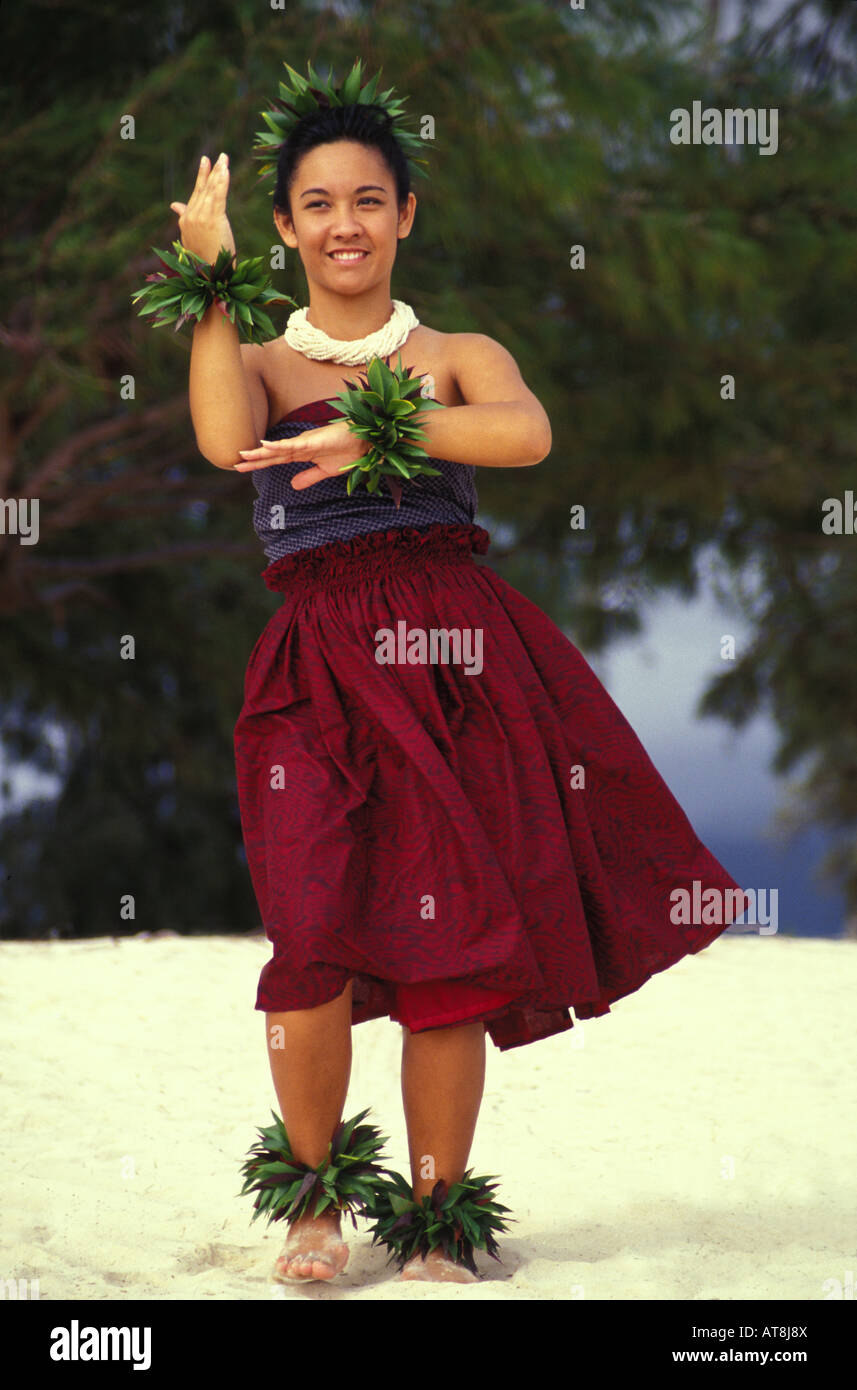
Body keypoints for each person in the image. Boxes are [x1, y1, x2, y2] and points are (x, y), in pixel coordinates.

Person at [170, 77, 748, 1286]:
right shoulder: (269, 362)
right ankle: (314, 1209)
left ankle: (433, 1224)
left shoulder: (458, 354)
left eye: (368, 201)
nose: (345, 224)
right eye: (317, 205)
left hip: (454, 657)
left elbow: (521, 434)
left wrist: (371, 430)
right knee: (312, 923)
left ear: (406, 215)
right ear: (284, 226)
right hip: (316, 662)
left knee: (446, 935)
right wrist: (213, 285)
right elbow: (225, 438)